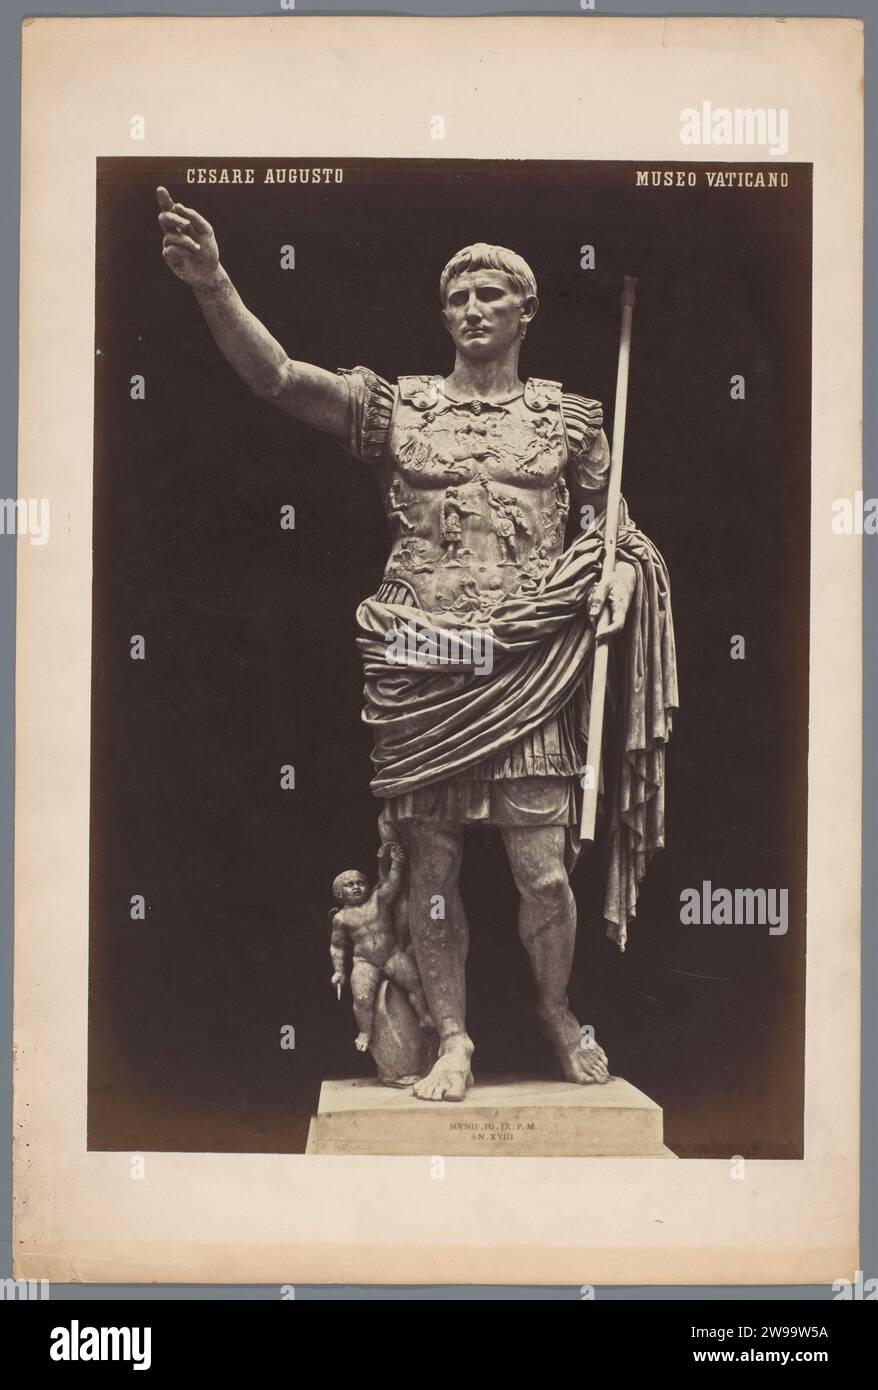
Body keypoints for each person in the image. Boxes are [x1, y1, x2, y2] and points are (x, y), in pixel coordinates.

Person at [157, 186, 678, 1103]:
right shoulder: (401, 409)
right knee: (431, 866)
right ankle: (454, 1039)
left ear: (526, 310)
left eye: (489, 296)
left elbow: (614, 527)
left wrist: (622, 575)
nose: (472, 311)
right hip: (424, 659)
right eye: (457, 298)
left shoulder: (573, 420)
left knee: (543, 873)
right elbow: (280, 379)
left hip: (526, 664)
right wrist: (214, 285)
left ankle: (557, 1010)